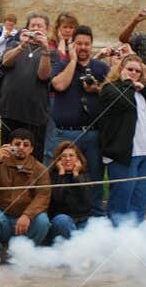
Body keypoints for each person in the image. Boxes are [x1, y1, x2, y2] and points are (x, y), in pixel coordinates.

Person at [46, 24, 109, 214]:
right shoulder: (62, 65)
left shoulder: (100, 68)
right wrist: (72, 60)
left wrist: (96, 89)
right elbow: (59, 85)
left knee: (95, 178)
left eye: (87, 44)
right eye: (79, 44)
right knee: (63, 175)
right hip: (66, 134)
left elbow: (112, 93)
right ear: (72, 45)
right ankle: (64, 216)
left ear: (92, 45)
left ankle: (96, 216)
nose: (83, 47)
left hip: (93, 133)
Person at [96, 54, 146, 226]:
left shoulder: (143, 91)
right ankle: (116, 236)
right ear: (121, 70)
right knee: (121, 200)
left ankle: (135, 236)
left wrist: (144, 89)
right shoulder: (110, 88)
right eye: (130, 69)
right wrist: (127, 83)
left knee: (140, 199)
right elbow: (122, 102)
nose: (133, 73)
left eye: (137, 71)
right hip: (124, 155)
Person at [0, 128, 51, 259]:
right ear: (9, 146)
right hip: (2, 220)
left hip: (26, 224)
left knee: (43, 221)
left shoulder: (40, 169)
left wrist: (27, 215)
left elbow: (43, 196)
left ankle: (25, 255)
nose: (21, 148)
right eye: (17, 144)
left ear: (31, 149)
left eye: (26, 145)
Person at [0, 12, 52, 156]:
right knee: (9, 154)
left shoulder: (51, 53)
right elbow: (6, 62)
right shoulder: (14, 44)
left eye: (40, 26)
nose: (36, 28)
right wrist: (22, 46)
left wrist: (45, 50)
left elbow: (43, 75)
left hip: (35, 114)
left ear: (47, 30)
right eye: (33, 25)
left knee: (33, 157)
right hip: (10, 111)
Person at [46, 141, 94, 243]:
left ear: (78, 159)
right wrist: (61, 174)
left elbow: (87, 199)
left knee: (97, 228)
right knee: (63, 221)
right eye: (63, 156)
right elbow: (57, 198)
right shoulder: (51, 176)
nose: (68, 159)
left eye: (71, 155)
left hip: (82, 219)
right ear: (58, 159)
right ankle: (75, 247)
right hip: (60, 221)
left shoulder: (84, 175)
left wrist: (76, 174)